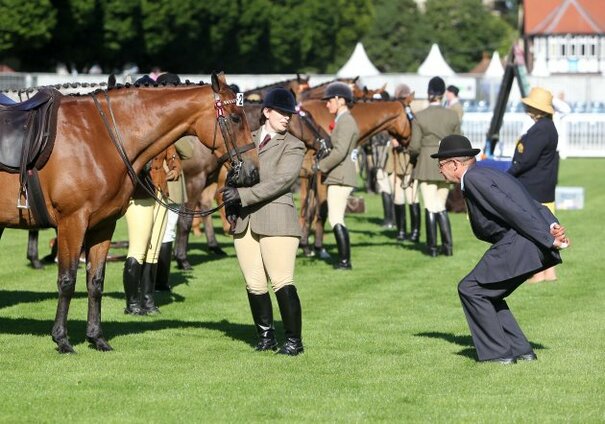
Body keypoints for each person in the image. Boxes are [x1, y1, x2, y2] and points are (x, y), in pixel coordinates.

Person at [432, 134, 569, 364]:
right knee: (488, 292)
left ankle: (498, 354)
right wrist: (553, 226)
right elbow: (530, 202)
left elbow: (510, 210)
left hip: (521, 243)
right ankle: (520, 350)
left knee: (470, 289)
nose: (439, 171)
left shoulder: (474, 179)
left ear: (454, 164)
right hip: (526, 242)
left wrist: (548, 238)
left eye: (441, 165)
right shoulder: (489, 173)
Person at [220, 88, 306, 356]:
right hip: (246, 221)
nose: (287, 118)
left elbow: (280, 182)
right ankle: (266, 338)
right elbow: (235, 172)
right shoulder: (248, 139)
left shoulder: (294, 145)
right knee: (254, 283)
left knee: (281, 281)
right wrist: (231, 198)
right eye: (282, 112)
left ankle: (294, 342)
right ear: (266, 112)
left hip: (277, 219)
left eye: (289, 114)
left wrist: (242, 195)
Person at [507, 87, 560, 283]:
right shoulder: (548, 127)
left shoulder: (540, 129)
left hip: (534, 187)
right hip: (544, 186)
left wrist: (509, 173)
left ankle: (538, 272)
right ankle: (549, 272)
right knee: (548, 228)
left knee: (536, 230)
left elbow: (527, 159)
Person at [409, 76, 461, 256]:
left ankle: (431, 247)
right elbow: (458, 143)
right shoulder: (452, 115)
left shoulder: (420, 116)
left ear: (429, 93)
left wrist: (412, 157)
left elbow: (415, 146)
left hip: (425, 163)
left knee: (430, 205)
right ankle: (447, 246)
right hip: (446, 163)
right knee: (440, 204)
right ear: (442, 94)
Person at [317, 82, 359, 270]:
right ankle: (344, 260)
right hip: (339, 173)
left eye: (329, 101)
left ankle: (345, 261)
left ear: (340, 100)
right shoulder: (343, 120)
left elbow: (341, 151)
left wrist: (321, 166)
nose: (327, 105)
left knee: (336, 218)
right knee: (336, 217)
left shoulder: (346, 121)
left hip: (341, 174)